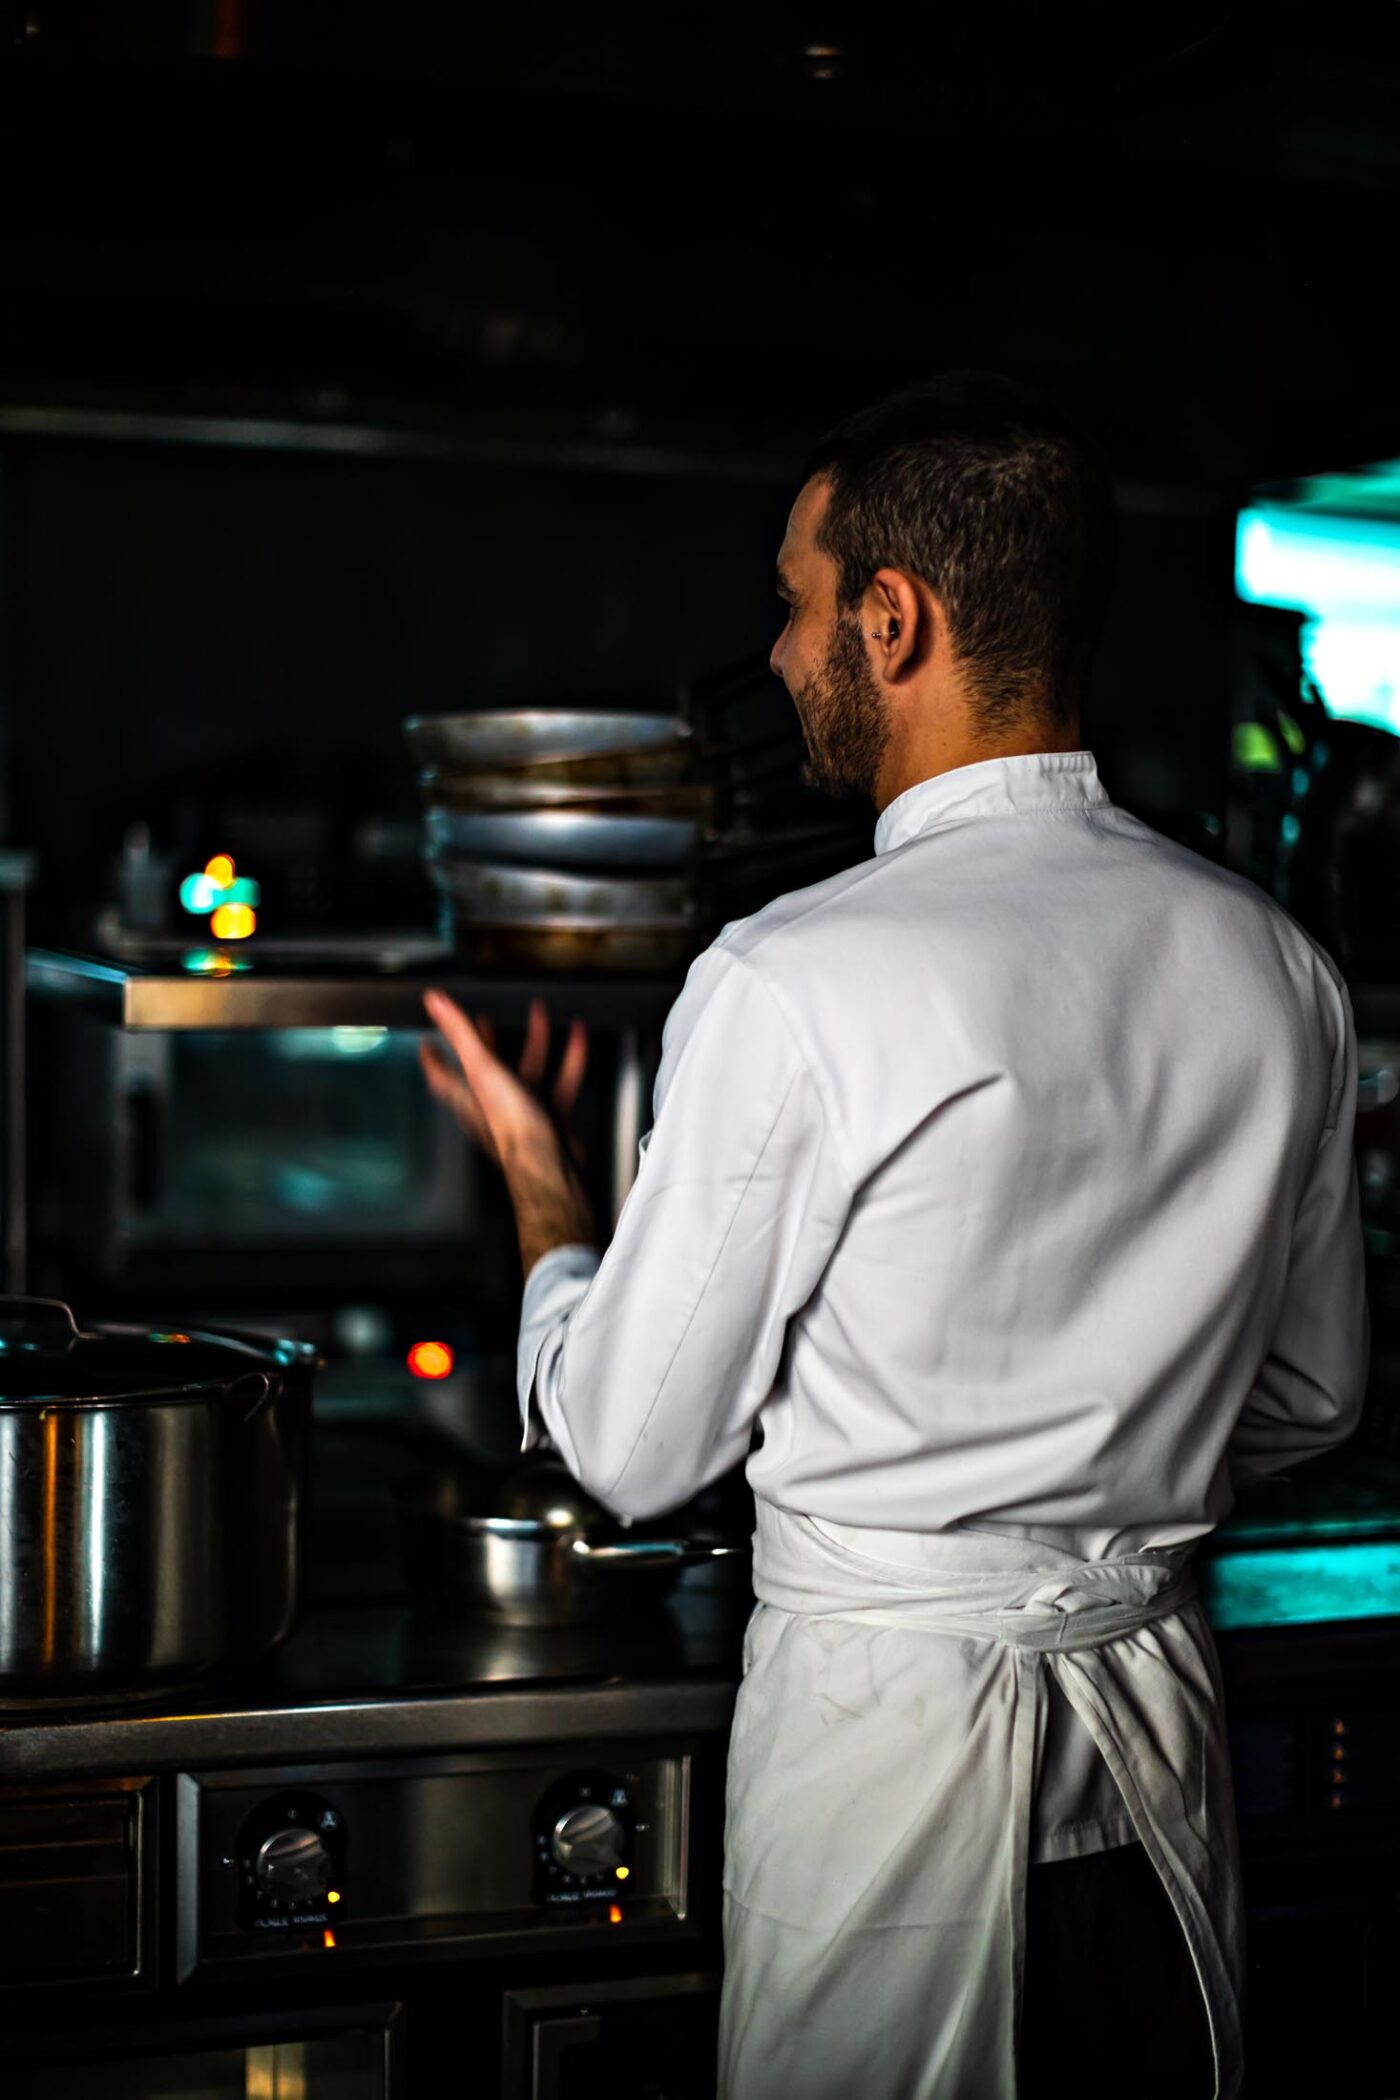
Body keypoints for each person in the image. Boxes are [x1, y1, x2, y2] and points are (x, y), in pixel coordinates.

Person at [419, 374, 1368, 2100]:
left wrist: (548, 1200)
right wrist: (1097, 1455)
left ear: (894, 616)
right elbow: (1309, 1396)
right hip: (1159, 1758)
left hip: (891, 1777)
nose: (780, 656)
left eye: (793, 603)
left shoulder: (797, 976)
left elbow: (632, 1449)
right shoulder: (1271, 961)